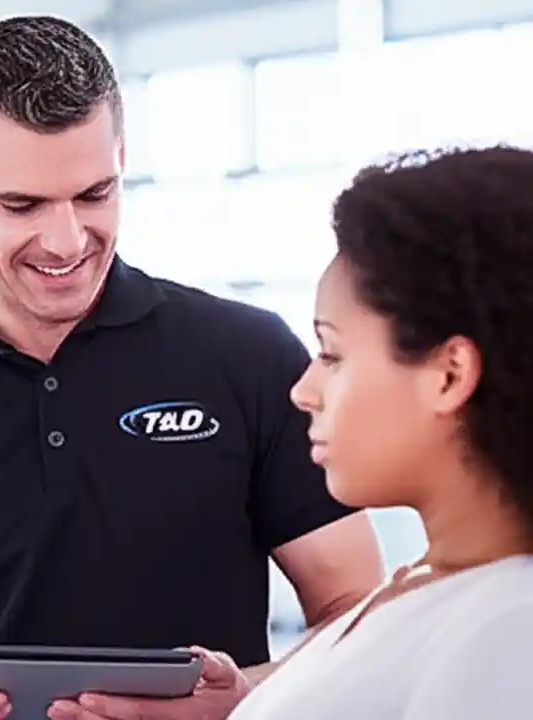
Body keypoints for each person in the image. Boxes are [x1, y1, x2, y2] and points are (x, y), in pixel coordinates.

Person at [0, 15, 384, 720]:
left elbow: (357, 612)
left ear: (121, 159)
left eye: (95, 194)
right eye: (22, 204)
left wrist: (250, 701)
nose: (67, 240)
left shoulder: (250, 357)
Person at [151, 145, 533, 720]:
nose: (303, 391)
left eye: (331, 354)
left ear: (449, 376)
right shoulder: (429, 585)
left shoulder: (506, 630)